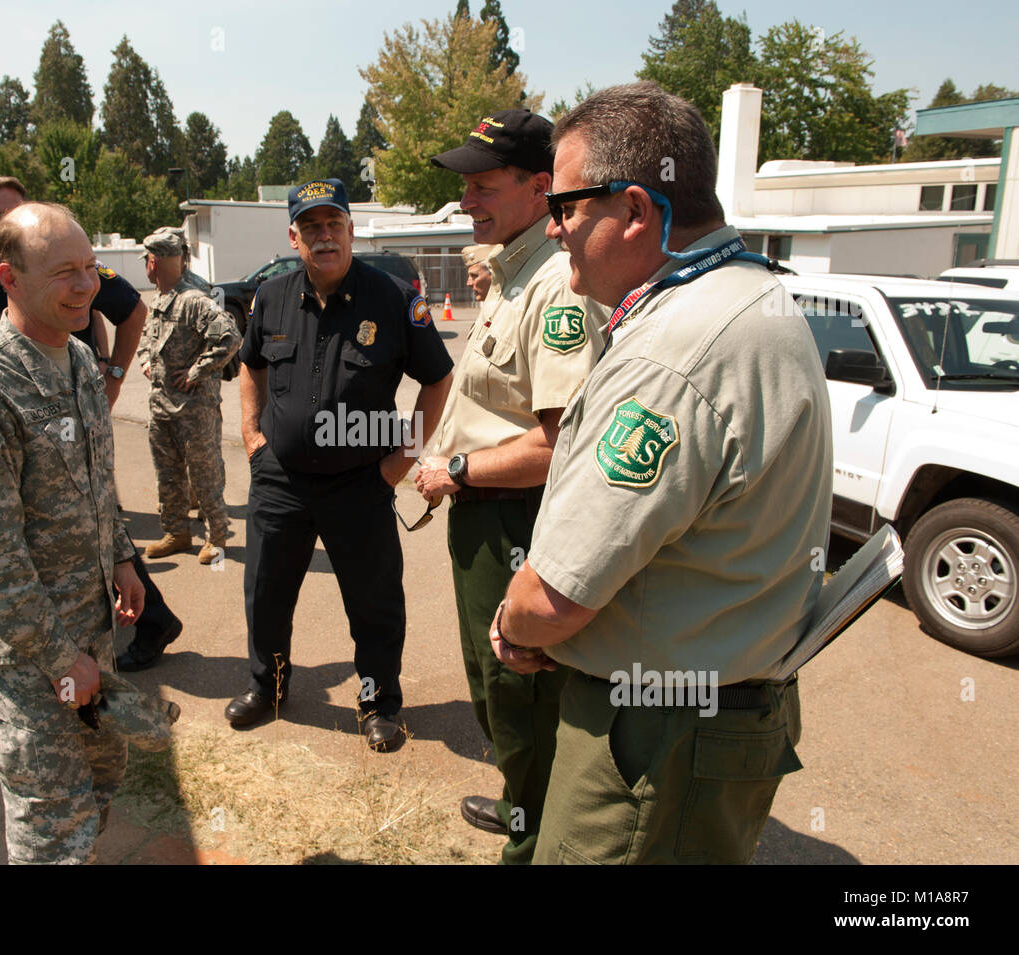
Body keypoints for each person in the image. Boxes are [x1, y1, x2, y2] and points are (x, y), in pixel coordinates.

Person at [489, 83, 832, 865]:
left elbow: (554, 594)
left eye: (565, 206)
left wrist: (512, 624)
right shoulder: (752, 296)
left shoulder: (673, 352)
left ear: (636, 210)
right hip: (715, 718)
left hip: (653, 740)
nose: (554, 227)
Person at [0, 202, 145, 864]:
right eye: (63, 273)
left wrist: (122, 556)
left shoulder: (78, 359)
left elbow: (96, 478)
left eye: (91, 268)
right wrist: (59, 658)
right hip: (30, 666)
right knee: (52, 834)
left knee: (97, 793)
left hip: (90, 639)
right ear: (9, 278)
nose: (85, 286)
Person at [413, 110, 605, 863]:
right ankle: (522, 803)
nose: (467, 201)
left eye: (484, 186)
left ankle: (532, 842)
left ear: (539, 187)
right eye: (466, 187)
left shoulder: (556, 288)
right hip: (484, 518)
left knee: (518, 691)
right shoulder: (514, 270)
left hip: (516, 519)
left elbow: (560, 445)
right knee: (494, 684)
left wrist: (455, 469)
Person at [229, 179, 454, 751]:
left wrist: (400, 463)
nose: (323, 236)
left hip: (361, 482)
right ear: (294, 237)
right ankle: (268, 687)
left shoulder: (394, 298)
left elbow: (437, 379)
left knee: (374, 603)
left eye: (333, 225)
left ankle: (378, 703)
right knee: (266, 592)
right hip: (280, 478)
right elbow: (251, 364)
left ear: (351, 231)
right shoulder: (272, 296)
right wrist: (252, 435)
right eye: (311, 227)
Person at [0, 176, 146, 409]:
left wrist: (114, 376)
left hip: (71, 399)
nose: (10, 223)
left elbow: (133, 310)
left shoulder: (65, 261)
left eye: (16, 212)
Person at [137, 227, 240, 566]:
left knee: (204, 475)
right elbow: (147, 340)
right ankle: (176, 532)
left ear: (154, 262)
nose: (146, 266)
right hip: (161, 407)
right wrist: (146, 361)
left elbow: (230, 338)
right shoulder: (160, 299)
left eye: (147, 260)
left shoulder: (193, 300)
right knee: (167, 474)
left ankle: (216, 538)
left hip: (194, 410)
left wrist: (196, 371)